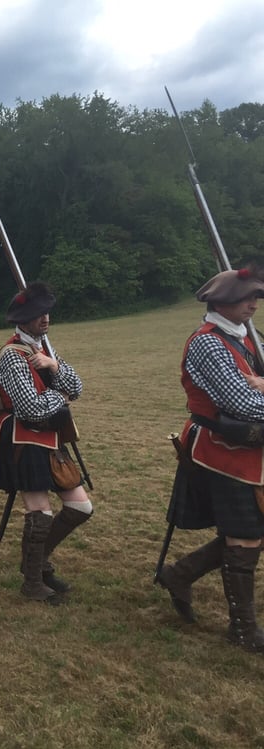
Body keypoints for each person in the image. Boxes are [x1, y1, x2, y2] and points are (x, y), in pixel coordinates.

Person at [158, 266, 264, 652]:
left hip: (249, 450)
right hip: (219, 450)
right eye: (245, 297)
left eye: (255, 296)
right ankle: (242, 629)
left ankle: (179, 574)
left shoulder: (245, 335)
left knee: (252, 533)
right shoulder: (207, 342)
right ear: (221, 301)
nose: (253, 303)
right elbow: (241, 403)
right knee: (245, 534)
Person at [0, 282, 93, 603]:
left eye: (45, 312)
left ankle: (35, 561)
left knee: (80, 506)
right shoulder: (12, 356)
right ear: (22, 318)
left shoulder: (44, 348)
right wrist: (61, 395)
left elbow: (77, 386)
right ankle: (33, 582)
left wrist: (54, 366)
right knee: (40, 512)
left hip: (50, 438)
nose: (44, 318)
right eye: (36, 314)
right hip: (23, 441)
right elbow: (30, 408)